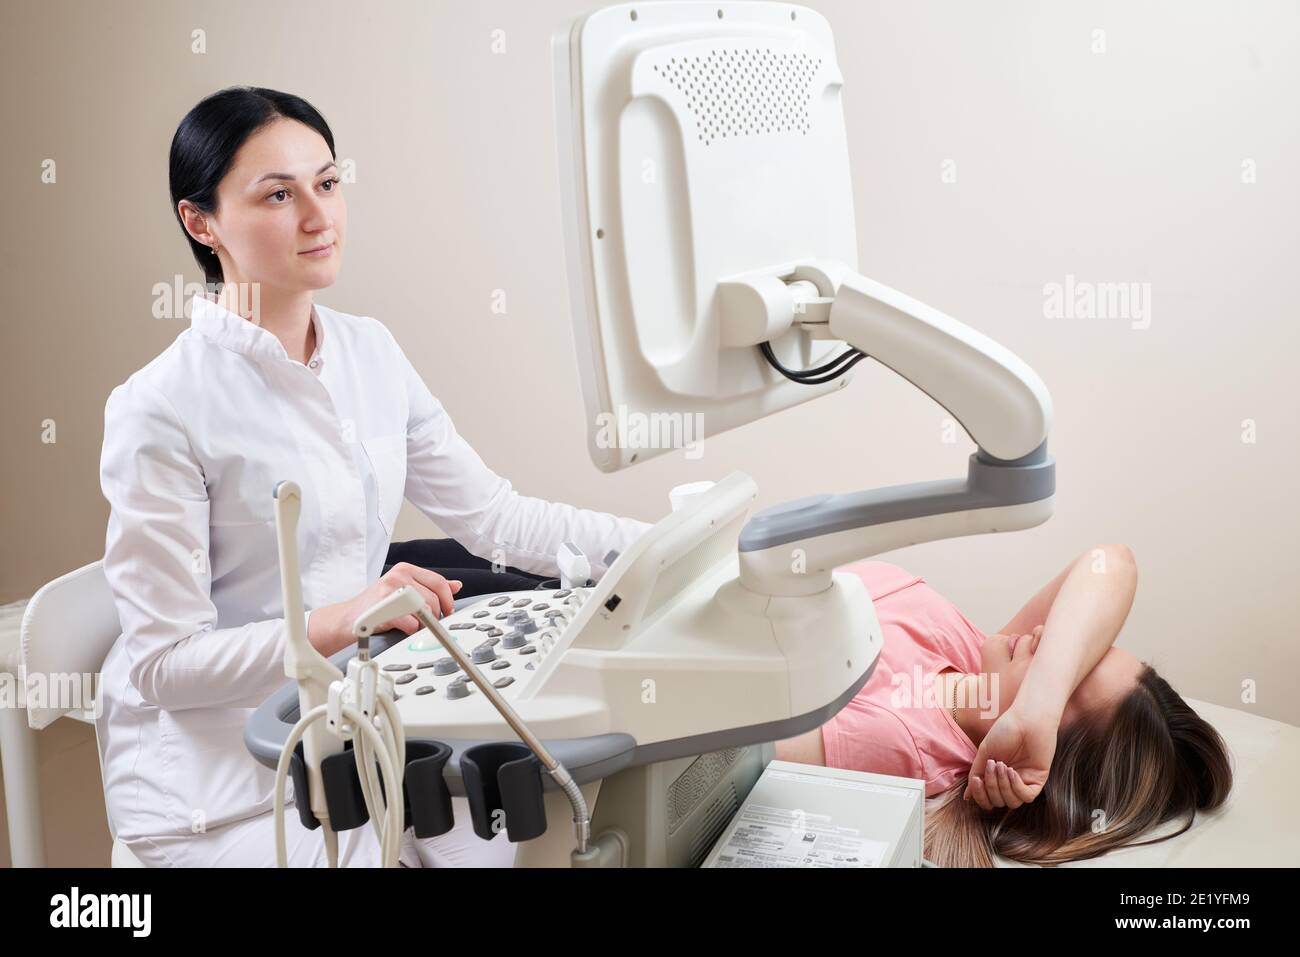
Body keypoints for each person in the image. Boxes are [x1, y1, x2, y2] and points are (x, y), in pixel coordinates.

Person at [96, 86, 653, 867]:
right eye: (279, 195)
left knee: (552, 837)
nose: (318, 216)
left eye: (327, 183)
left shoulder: (370, 353)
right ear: (202, 222)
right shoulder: (160, 407)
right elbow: (161, 665)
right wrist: (339, 618)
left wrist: (657, 551)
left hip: (350, 736)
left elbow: (497, 518)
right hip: (212, 791)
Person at [774, 545, 1233, 867]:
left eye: (1071, 676)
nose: (1045, 637)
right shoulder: (978, 654)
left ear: (1047, 748)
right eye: (1077, 654)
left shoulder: (902, 740)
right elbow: (1112, 560)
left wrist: (1033, 714)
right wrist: (1042, 697)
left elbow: (723, 744)